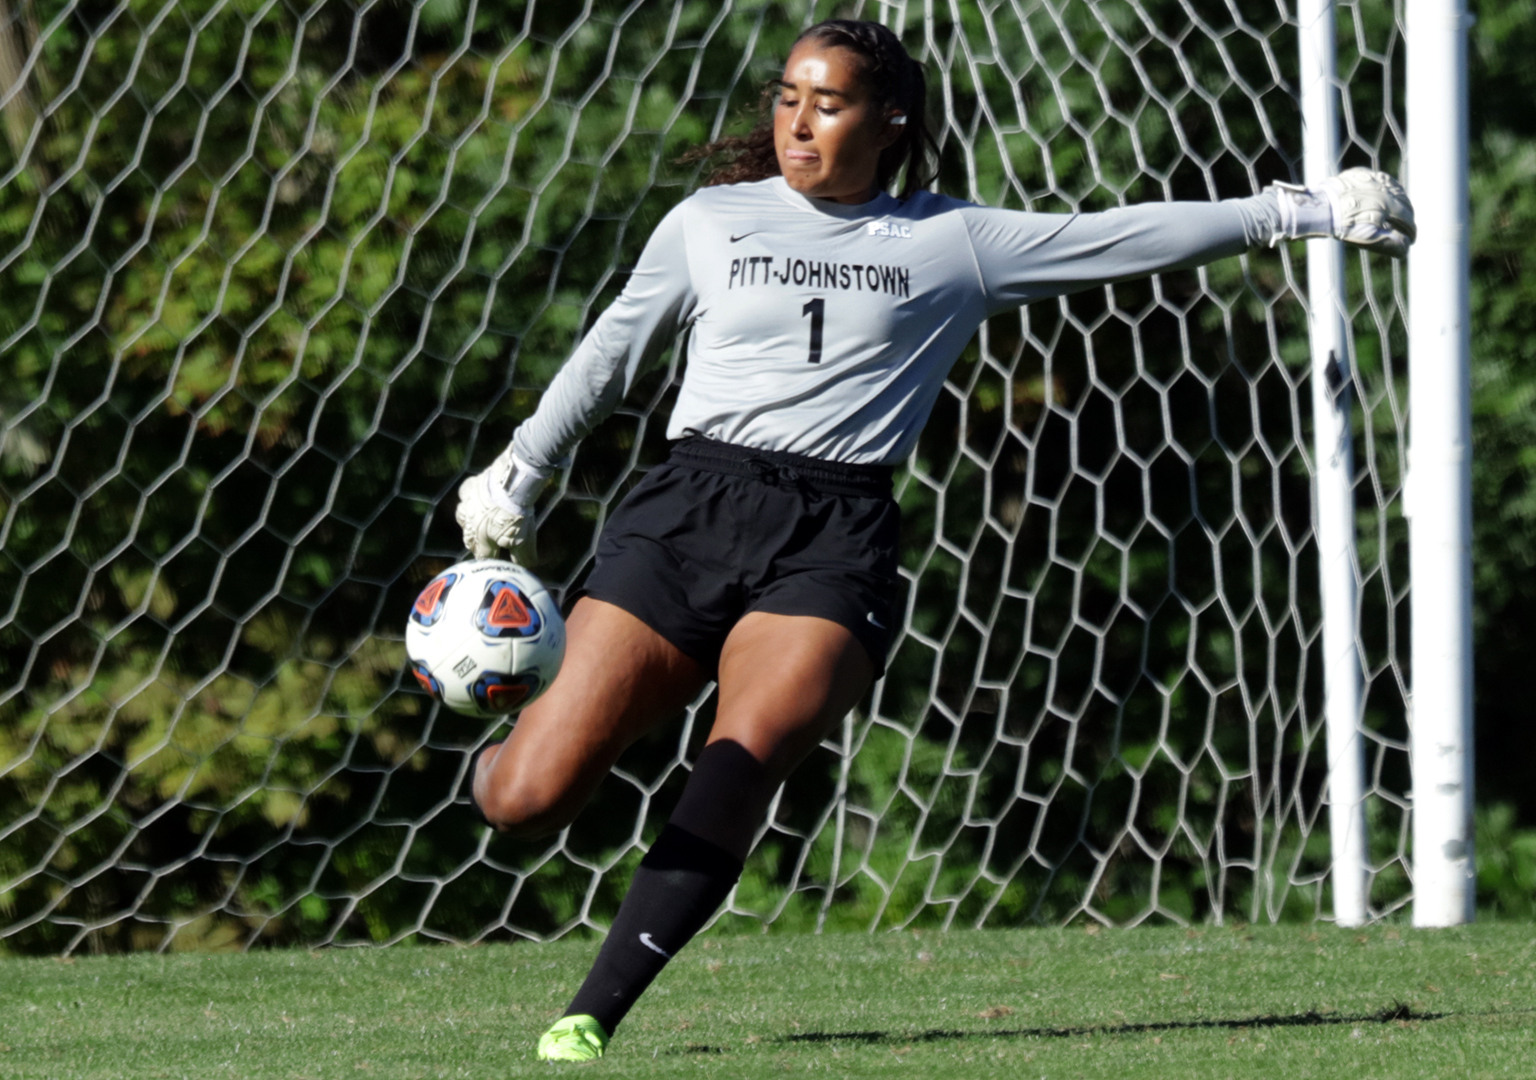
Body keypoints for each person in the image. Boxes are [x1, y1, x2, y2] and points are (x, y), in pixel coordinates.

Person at [451, 17, 1414, 1064]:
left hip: (833, 537)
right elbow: (609, 352)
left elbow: (1120, 236)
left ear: (890, 119)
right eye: (787, 98)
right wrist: (520, 468)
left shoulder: (950, 242)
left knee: (746, 756)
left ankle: (589, 1015)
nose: (799, 122)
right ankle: (486, 700)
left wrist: (1302, 212)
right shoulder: (708, 223)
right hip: (687, 512)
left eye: (829, 103)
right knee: (525, 798)